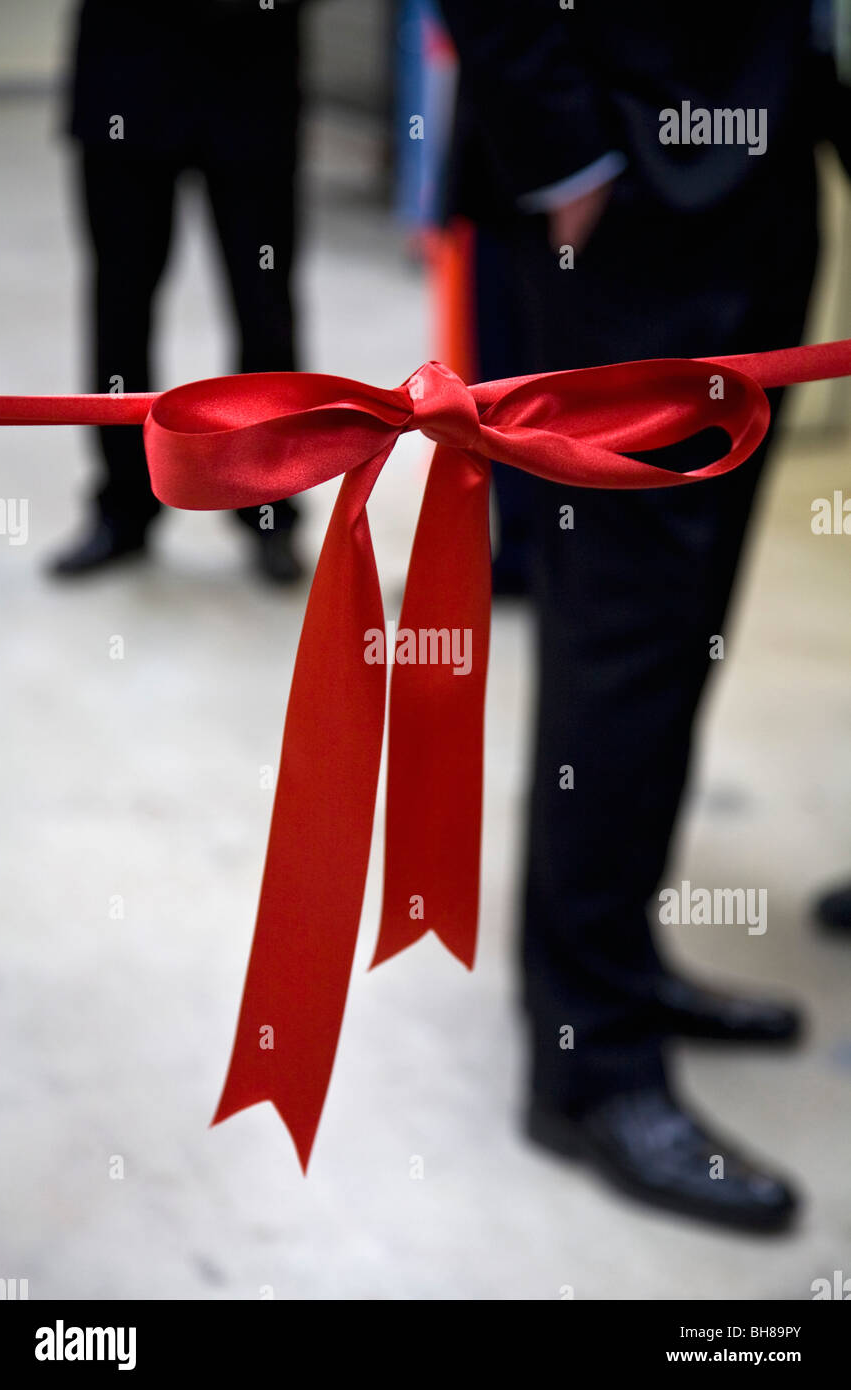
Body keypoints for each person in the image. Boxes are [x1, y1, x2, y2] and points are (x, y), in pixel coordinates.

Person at [439, 0, 851, 1230]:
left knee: (679, 623)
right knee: (622, 630)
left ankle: (613, 964)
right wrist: (570, 157)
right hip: (623, 202)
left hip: (750, 177)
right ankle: (586, 1057)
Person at [51, 0, 305, 584]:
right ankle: (122, 506)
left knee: (264, 308)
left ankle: (270, 509)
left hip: (252, 73)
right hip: (127, 70)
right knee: (120, 305)